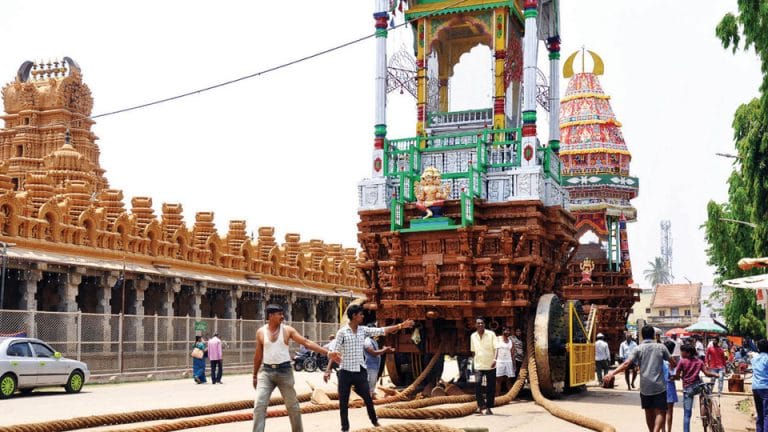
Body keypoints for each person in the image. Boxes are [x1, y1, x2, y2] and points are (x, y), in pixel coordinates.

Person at [252, 304, 341, 432]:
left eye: (283, 314)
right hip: (267, 372)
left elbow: (306, 343)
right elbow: (258, 355)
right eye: (279, 314)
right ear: (270, 316)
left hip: (285, 372)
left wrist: (327, 353)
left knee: (292, 406)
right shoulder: (261, 332)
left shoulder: (287, 330)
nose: (282, 316)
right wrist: (255, 375)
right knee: (259, 405)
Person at [328, 304, 414, 432]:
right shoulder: (342, 333)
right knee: (343, 402)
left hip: (360, 372)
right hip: (345, 372)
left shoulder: (363, 330)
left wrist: (400, 326)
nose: (363, 316)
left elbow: (382, 330)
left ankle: (374, 421)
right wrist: (331, 361)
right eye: (360, 314)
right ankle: (345, 428)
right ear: (354, 316)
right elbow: (333, 351)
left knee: (368, 398)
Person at [603, 325, 676, 432]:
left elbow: (626, 363)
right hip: (659, 386)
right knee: (661, 411)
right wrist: (674, 366)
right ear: (653, 335)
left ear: (642, 336)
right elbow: (672, 361)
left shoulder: (638, 348)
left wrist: (612, 373)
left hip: (645, 387)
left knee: (648, 412)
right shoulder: (661, 347)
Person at [673, 344, 719, 432]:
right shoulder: (699, 361)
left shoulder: (682, 362)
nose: (681, 353)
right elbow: (706, 373)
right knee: (705, 390)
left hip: (688, 389)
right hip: (698, 386)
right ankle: (706, 407)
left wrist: (674, 377)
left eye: (683, 351)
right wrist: (715, 374)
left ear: (688, 353)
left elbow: (677, 375)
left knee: (687, 414)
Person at [471, 317, 498, 415]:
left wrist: (495, 359)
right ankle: (481, 405)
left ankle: (489, 408)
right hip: (479, 365)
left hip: (490, 364)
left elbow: (496, 348)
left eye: (482, 323)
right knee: (477, 384)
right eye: (478, 323)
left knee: (490, 387)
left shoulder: (491, 334)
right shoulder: (473, 336)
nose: (480, 325)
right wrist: (474, 362)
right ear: (475, 325)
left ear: (484, 325)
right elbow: (473, 351)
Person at [363, 333, 394, 399]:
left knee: (373, 382)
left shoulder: (373, 340)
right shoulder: (367, 341)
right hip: (370, 366)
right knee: (370, 383)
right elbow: (374, 353)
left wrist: (386, 350)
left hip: (375, 366)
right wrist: (384, 350)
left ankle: (370, 397)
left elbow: (378, 352)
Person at [751, 339, 768, 432]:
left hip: (755, 387)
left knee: (760, 413)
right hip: (765, 388)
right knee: (767, 414)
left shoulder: (754, 359)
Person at [662, 340, 678, 432]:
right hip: (670, 385)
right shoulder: (672, 360)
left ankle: (663, 430)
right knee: (670, 411)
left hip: (660, 385)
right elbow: (674, 375)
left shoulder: (660, 359)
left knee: (662, 411)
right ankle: (669, 430)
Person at [495, 327, 516, 394]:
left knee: (508, 379)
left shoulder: (511, 342)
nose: (508, 332)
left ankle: (511, 395)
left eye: (509, 331)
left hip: (508, 362)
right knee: (498, 379)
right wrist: (494, 360)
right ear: (503, 331)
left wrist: (514, 364)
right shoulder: (497, 339)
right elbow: (495, 351)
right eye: (506, 330)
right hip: (499, 362)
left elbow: (512, 354)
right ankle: (497, 395)